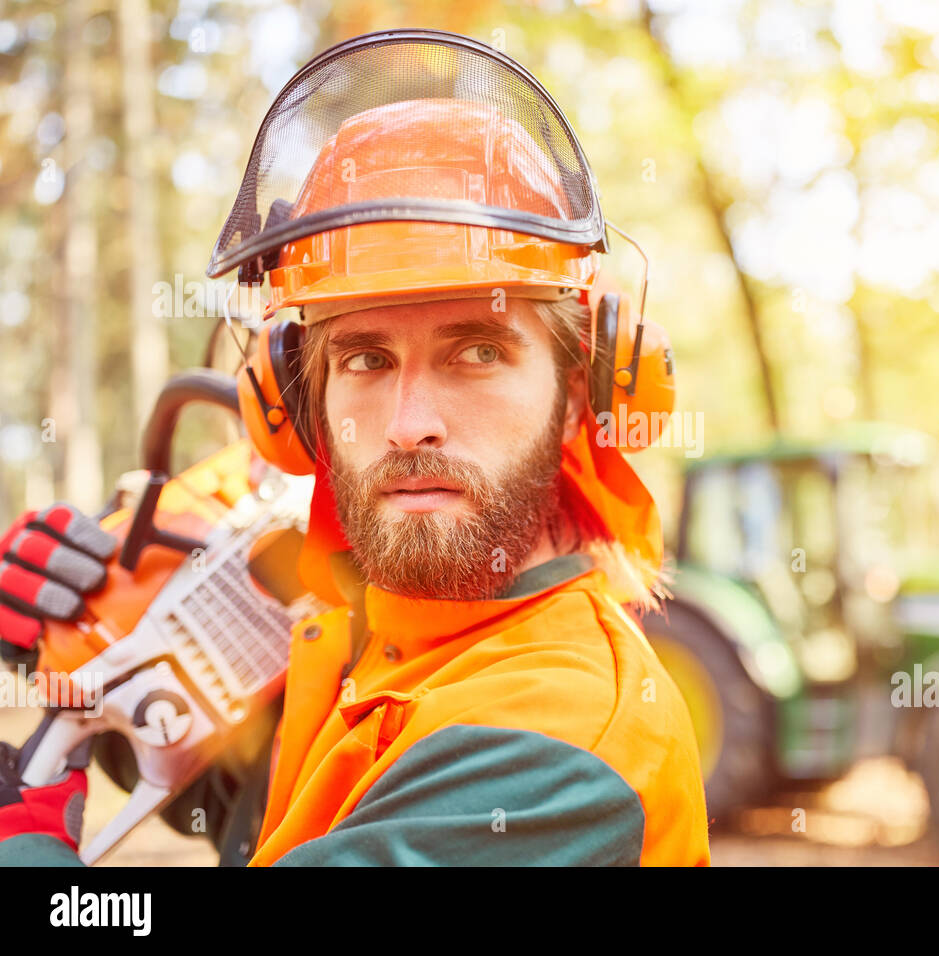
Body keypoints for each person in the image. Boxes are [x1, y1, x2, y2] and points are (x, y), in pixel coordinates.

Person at [0, 29, 710, 866]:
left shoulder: (562, 744)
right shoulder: (373, 628)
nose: (410, 423)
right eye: (366, 358)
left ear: (577, 396)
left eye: (478, 351)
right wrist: (68, 648)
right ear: (300, 407)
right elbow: (261, 807)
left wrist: (27, 847)